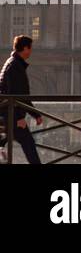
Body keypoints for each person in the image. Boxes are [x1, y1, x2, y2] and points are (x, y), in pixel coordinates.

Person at [0, 35, 42, 165]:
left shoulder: (12, 63)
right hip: (11, 114)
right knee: (28, 144)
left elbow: (20, 95)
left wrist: (35, 114)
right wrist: (19, 118)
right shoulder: (15, 66)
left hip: (7, 113)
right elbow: (17, 94)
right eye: (30, 48)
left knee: (6, 140)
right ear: (25, 48)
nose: (31, 52)